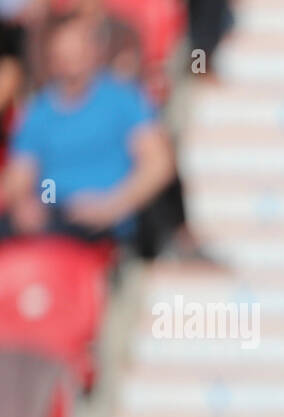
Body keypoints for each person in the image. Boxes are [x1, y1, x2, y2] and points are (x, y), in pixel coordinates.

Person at [0, 10, 173, 244]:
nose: (69, 58)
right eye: (62, 52)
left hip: (103, 222)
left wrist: (113, 205)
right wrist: (23, 203)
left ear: (92, 51)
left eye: (75, 50)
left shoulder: (122, 99)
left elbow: (158, 163)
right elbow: (21, 174)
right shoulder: (39, 111)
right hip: (53, 214)